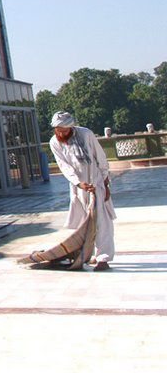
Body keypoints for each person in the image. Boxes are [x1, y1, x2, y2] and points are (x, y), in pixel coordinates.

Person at [48, 111, 115, 270]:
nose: (61, 134)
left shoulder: (86, 134)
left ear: (71, 128)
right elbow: (64, 166)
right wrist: (78, 183)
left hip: (96, 181)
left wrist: (105, 183)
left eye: (64, 131)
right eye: (58, 130)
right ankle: (90, 253)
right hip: (78, 186)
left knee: (101, 221)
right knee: (84, 223)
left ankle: (103, 258)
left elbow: (100, 158)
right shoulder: (55, 142)